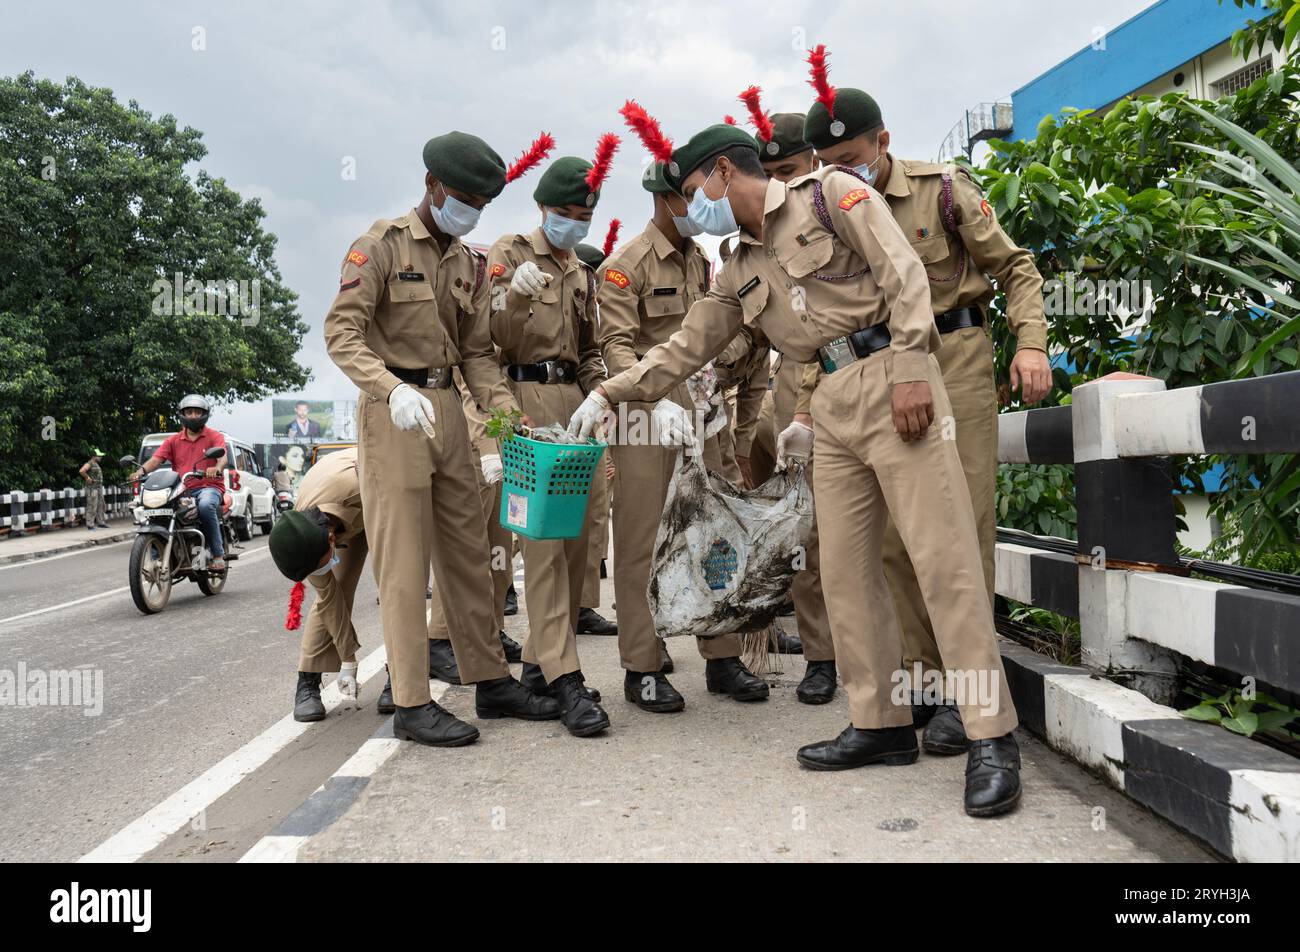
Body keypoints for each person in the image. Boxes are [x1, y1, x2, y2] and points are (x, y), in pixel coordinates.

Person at [569, 119, 1022, 816]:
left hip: (892, 378)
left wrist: (908, 366)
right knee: (843, 570)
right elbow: (688, 346)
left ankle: (992, 733)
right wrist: (611, 391)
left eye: (694, 190)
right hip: (829, 400)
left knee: (943, 559)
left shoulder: (826, 195)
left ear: (722, 173)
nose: (692, 206)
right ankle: (880, 722)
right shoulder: (740, 265)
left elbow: (904, 272)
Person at [804, 79, 1051, 747]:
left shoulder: (941, 188)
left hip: (957, 359)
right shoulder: (827, 209)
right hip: (881, 371)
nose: (837, 174)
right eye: (825, 165)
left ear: (882, 142)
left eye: (851, 157)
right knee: (891, 541)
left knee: (960, 529)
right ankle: (926, 683)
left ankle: (969, 697)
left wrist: (1030, 344)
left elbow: (1017, 267)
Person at [323, 130, 560, 748]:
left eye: (481, 204)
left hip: (450, 410)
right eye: (463, 199)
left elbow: (479, 353)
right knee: (404, 566)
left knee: (469, 556)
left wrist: (510, 422)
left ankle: (489, 679)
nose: (471, 213)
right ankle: (410, 701)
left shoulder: (467, 263)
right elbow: (342, 333)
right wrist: (388, 389)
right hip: (393, 412)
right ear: (431, 186)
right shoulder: (379, 246)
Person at [594, 101, 768, 713]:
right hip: (646, 421)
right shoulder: (626, 267)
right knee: (642, 542)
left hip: (705, 420)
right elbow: (614, 348)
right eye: (688, 199)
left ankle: (721, 659)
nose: (698, 209)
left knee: (713, 535)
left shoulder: (704, 262)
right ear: (667, 201)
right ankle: (642, 667)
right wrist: (656, 398)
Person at [483, 137, 618, 737]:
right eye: (568, 214)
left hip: (574, 408)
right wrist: (513, 296)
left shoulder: (583, 274)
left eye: (585, 217)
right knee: (539, 546)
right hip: (524, 404)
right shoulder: (508, 256)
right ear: (544, 208)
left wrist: (601, 394)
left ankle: (538, 664)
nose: (574, 224)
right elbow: (486, 342)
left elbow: (588, 352)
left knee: (575, 544)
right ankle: (567, 681)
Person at [268, 448, 375, 723]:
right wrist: (348, 661)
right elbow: (331, 599)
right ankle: (307, 681)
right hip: (338, 513)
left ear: (330, 540)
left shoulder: (357, 485)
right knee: (334, 588)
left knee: (394, 585)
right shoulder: (303, 532)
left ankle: (399, 676)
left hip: (377, 496)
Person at [130, 395, 228, 571]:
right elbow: (156, 460)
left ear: (204, 415)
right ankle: (160, 554)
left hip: (209, 487)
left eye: (197, 412)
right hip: (182, 490)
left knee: (205, 506)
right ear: (182, 415)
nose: (192, 416)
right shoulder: (173, 440)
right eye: (189, 412)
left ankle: (217, 553)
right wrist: (141, 471)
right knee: (157, 511)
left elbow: (222, 458)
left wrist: (217, 468)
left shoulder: (214, 436)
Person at [80, 449, 109, 530]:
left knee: (101, 505)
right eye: (99, 456)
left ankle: (101, 522)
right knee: (92, 506)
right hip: (92, 489)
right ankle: (90, 524)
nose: (100, 457)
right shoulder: (90, 463)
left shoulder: (96, 464)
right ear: (94, 456)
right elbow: (82, 471)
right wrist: (87, 478)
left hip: (98, 488)